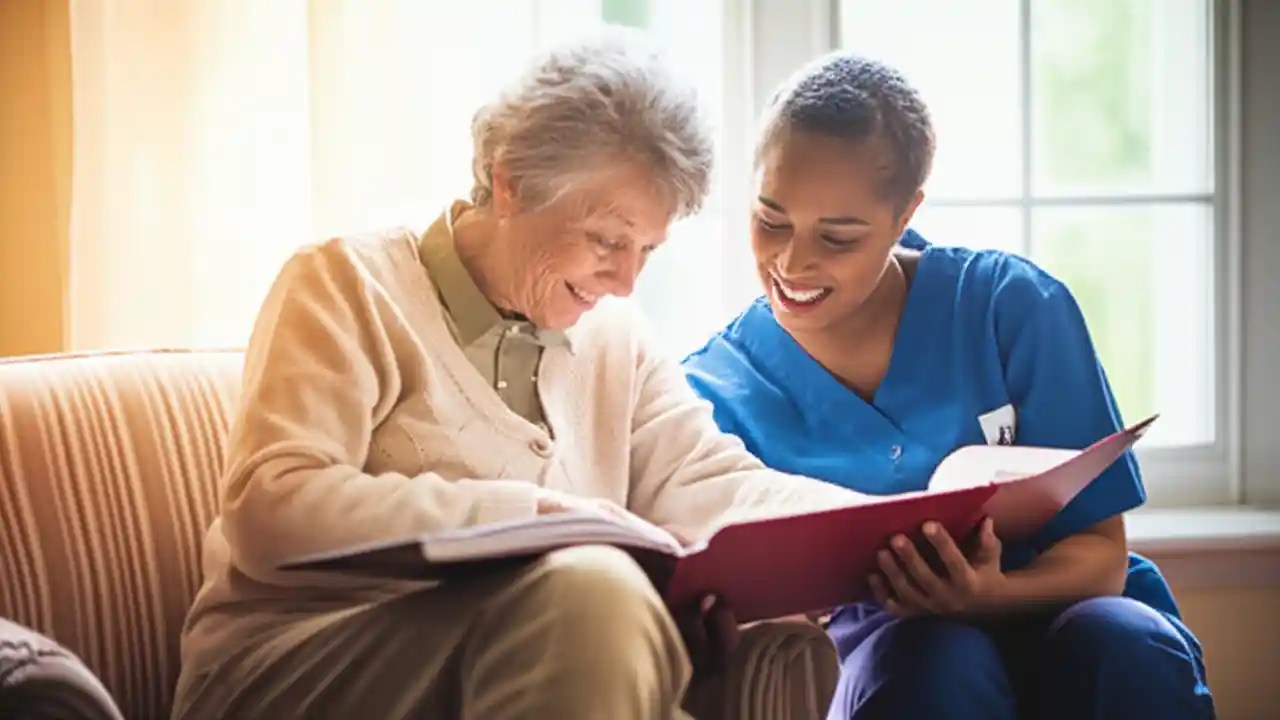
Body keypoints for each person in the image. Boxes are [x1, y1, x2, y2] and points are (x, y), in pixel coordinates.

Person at [170, 33, 865, 720]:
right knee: (592, 591)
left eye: (647, 250)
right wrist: (540, 521)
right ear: (511, 183)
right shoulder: (346, 285)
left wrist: (877, 532)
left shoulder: (612, 337)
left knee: (610, 609)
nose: (626, 281)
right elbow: (274, 505)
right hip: (303, 663)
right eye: (606, 240)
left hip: (538, 660)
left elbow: (711, 480)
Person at [682, 52, 1215, 720]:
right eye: (771, 220)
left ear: (906, 212)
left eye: (839, 236)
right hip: (898, 664)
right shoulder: (711, 390)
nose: (792, 261)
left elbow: (1100, 555)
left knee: (1124, 645)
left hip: (1073, 620)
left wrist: (986, 595)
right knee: (930, 662)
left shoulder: (1010, 308)